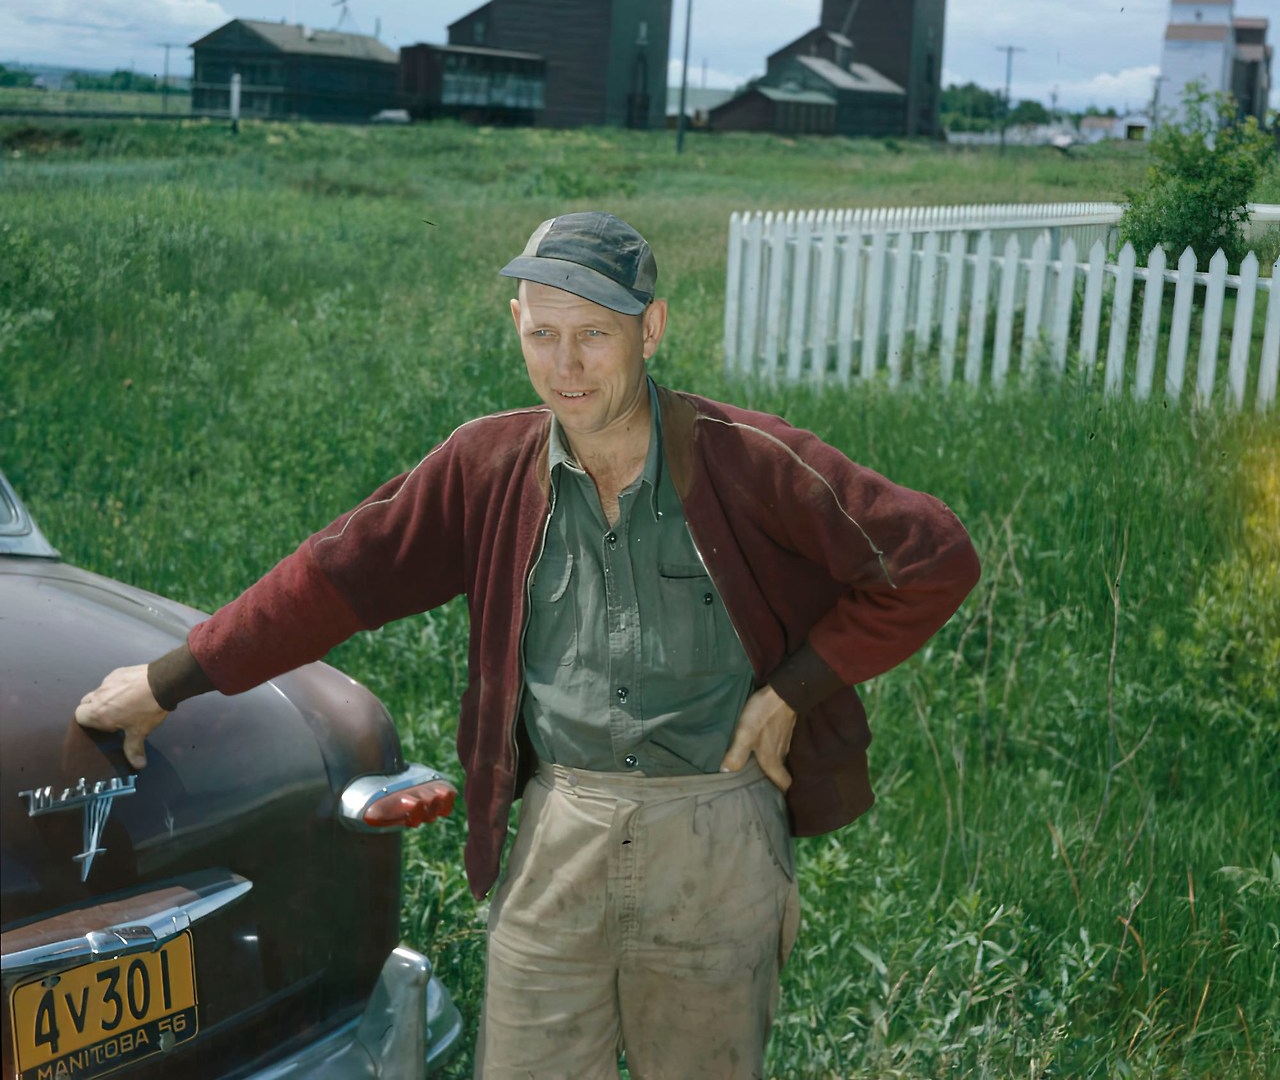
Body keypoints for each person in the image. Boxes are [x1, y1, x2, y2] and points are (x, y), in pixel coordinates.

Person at [77, 211, 980, 1080]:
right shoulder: (486, 467)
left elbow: (934, 558)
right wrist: (171, 681)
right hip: (558, 829)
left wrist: (793, 691)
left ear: (651, 327)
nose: (567, 365)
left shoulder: (748, 461)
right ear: (515, 324)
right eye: (543, 334)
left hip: (715, 836)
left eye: (594, 333)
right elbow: (330, 580)